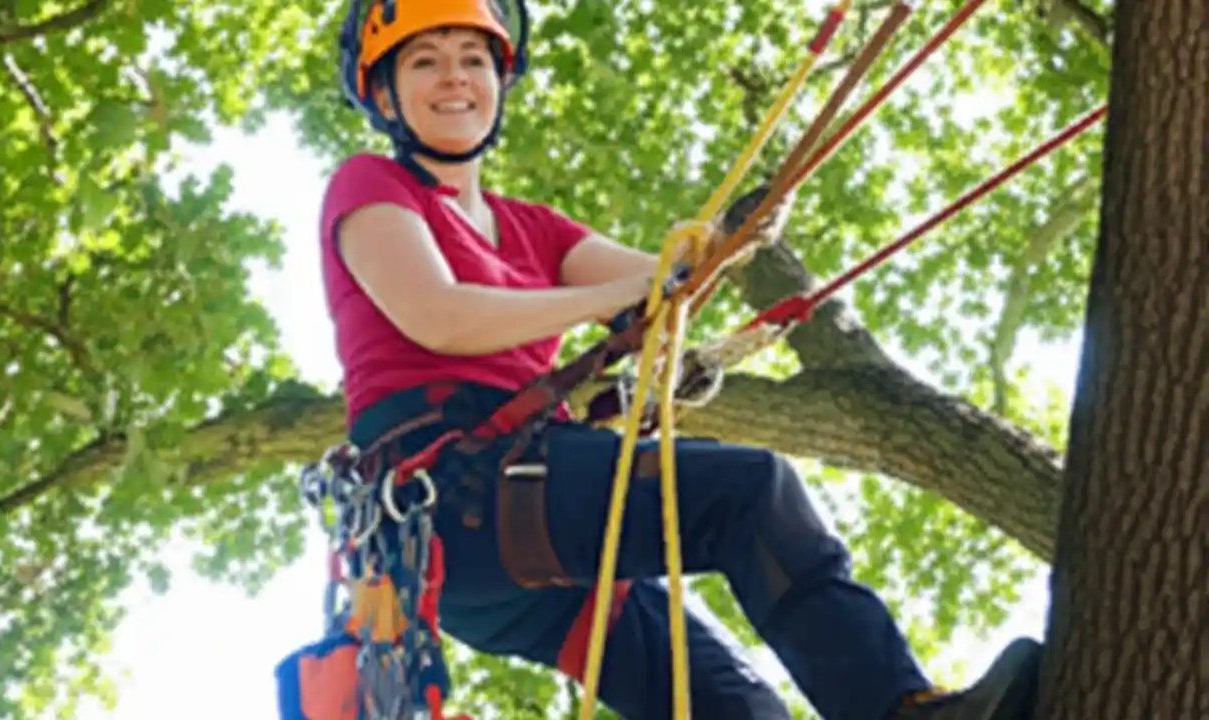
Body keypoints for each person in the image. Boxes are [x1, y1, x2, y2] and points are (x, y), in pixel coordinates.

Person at [320, 1, 1043, 718]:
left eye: (473, 59)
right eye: (426, 61)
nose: (455, 78)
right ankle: (896, 711)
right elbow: (441, 315)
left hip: (526, 514)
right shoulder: (371, 185)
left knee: (737, 708)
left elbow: (664, 276)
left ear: (501, 80)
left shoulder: (532, 228)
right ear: (385, 93)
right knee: (749, 493)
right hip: (453, 494)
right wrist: (630, 296)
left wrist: (725, 244)